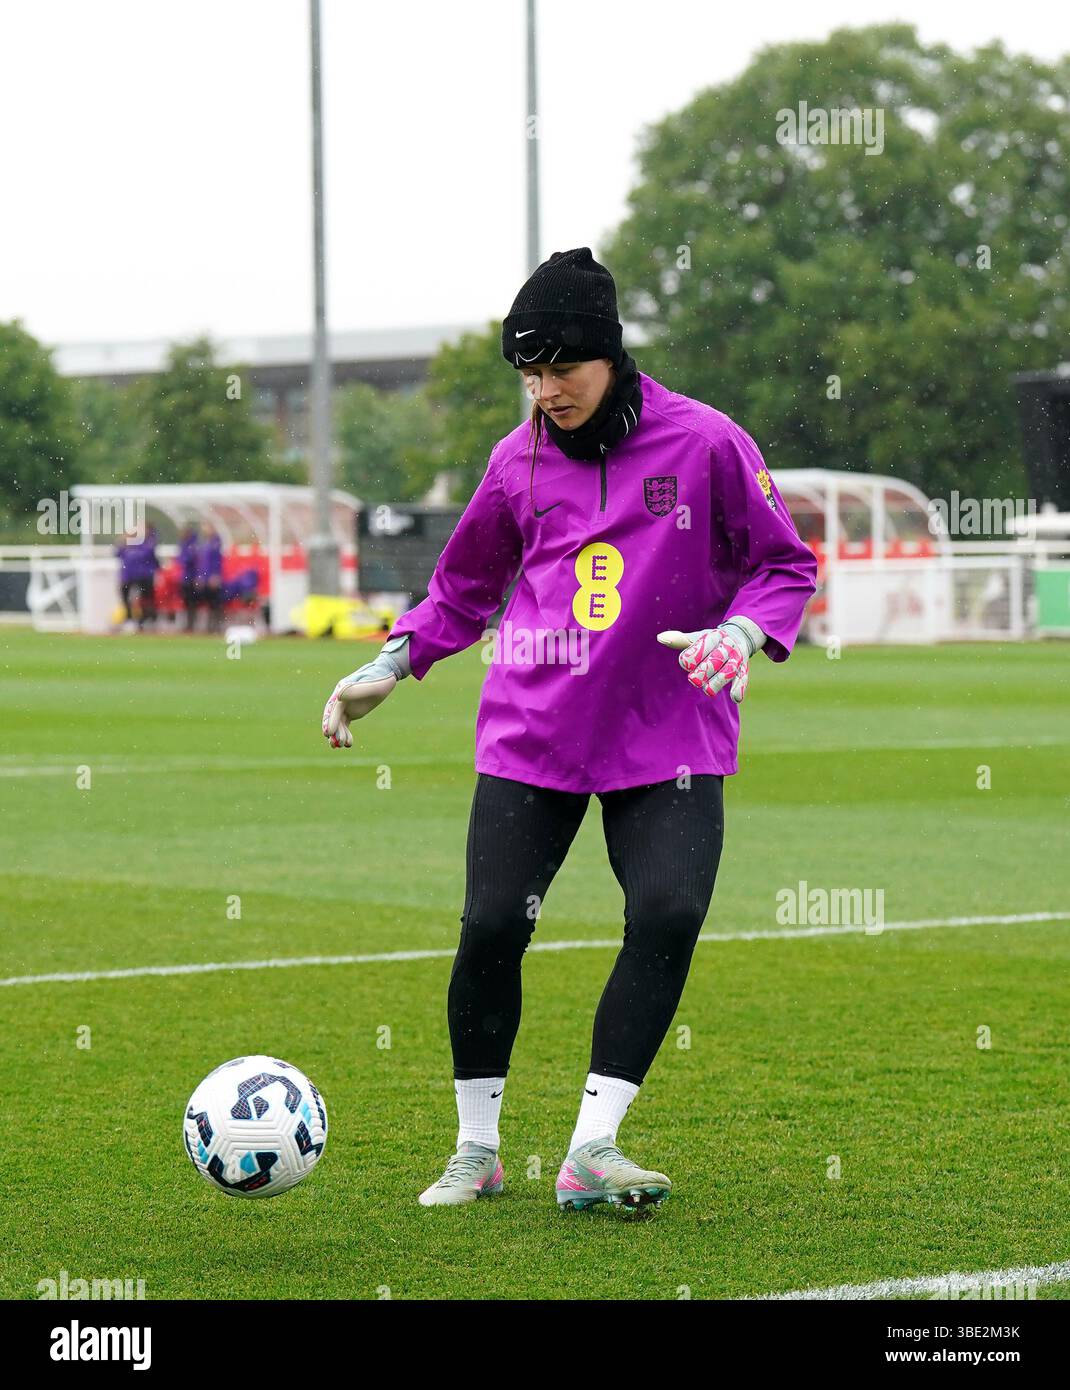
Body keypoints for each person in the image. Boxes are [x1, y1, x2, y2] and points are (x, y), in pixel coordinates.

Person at [321, 247, 818, 1213]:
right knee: (495, 925)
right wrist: (389, 664)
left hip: (671, 727)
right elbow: (463, 588)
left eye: (563, 370)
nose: (546, 392)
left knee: (670, 913)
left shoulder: (709, 442)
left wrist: (743, 632)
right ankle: (476, 1148)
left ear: (611, 355)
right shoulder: (518, 460)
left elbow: (784, 565)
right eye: (531, 374)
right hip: (534, 729)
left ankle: (593, 1147)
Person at [115, 525, 158, 630]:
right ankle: (130, 619)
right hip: (128, 577)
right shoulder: (126, 547)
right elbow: (117, 554)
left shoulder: (145, 544)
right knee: (126, 598)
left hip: (143, 577)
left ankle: (144, 621)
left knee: (145, 600)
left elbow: (151, 555)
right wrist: (122, 541)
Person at [194, 524, 224, 633]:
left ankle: (215, 626)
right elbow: (201, 563)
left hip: (211, 578)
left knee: (214, 603)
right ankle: (208, 626)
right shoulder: (204, 543)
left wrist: (215, 575)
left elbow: (217, 561)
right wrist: (200, 576)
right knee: (206, 602)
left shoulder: (215, 543)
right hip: (205, 578)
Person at [177, 522, 200, 632]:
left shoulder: (192, 545)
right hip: (186, 578)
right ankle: (188, 624)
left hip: (191, 578)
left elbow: (188, 560)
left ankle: (191, 624)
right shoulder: (185, 544)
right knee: (187, 602)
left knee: (191, 602)